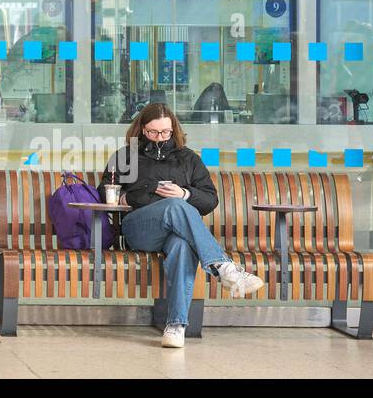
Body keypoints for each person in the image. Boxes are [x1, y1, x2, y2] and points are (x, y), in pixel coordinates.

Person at [99, 102, 264, 348]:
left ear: (173, 129)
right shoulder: (126, 155)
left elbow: (210, 199)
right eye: (153, 132)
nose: (159, 137)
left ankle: (176, 326)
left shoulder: (188, 158)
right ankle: (223, 266)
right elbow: (105, 192)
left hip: (175, 232)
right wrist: (137, 193)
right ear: (142, 129)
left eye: (165, 132)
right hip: (138, 228)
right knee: (174, 207)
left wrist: (185, 193)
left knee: (181, 246)